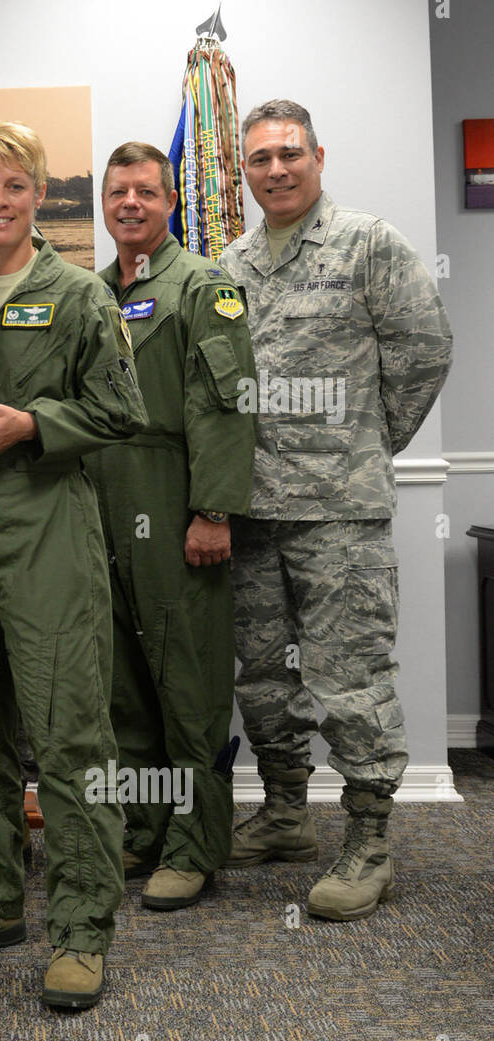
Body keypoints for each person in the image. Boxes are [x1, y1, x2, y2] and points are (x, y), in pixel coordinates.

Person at [0, 122, 147, 1009]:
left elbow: (123, 412)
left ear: (40, 195)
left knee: (70, 733)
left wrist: (38, 424)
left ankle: (82, 929)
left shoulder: (79, 293)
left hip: (47, 528)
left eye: (14, 186)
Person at [219, 100, 452, 920]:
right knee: (262, 676)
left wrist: (365, 442)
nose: (275, 170)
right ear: (242, 171)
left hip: (339, 510)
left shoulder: (367, 243)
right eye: (259, 160)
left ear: (318, 155)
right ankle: (286, 813)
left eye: (289, 154)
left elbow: (424, 353)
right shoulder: (232, 262)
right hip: (250, 511)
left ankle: (369, 841)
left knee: (351, 677)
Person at [90, 142, 256, 910]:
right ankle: (146, 827)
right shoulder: (93, 292)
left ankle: (194, 844)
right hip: (101, 505)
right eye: (118, 192)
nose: (130, 204)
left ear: (169, 203)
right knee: (124, 685)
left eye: (146, 193)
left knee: (188, 684)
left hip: (175, 494)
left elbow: (225, 406)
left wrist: (212, 510)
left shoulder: (204, 287)